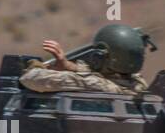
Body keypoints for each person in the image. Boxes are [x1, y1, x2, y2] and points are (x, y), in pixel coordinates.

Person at [20, 24, 150, 94]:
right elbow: (104, 76)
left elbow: (30, 79)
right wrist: (70, 66)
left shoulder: (96, 85)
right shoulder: (139, 84)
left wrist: (36, 66)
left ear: (100, 58)